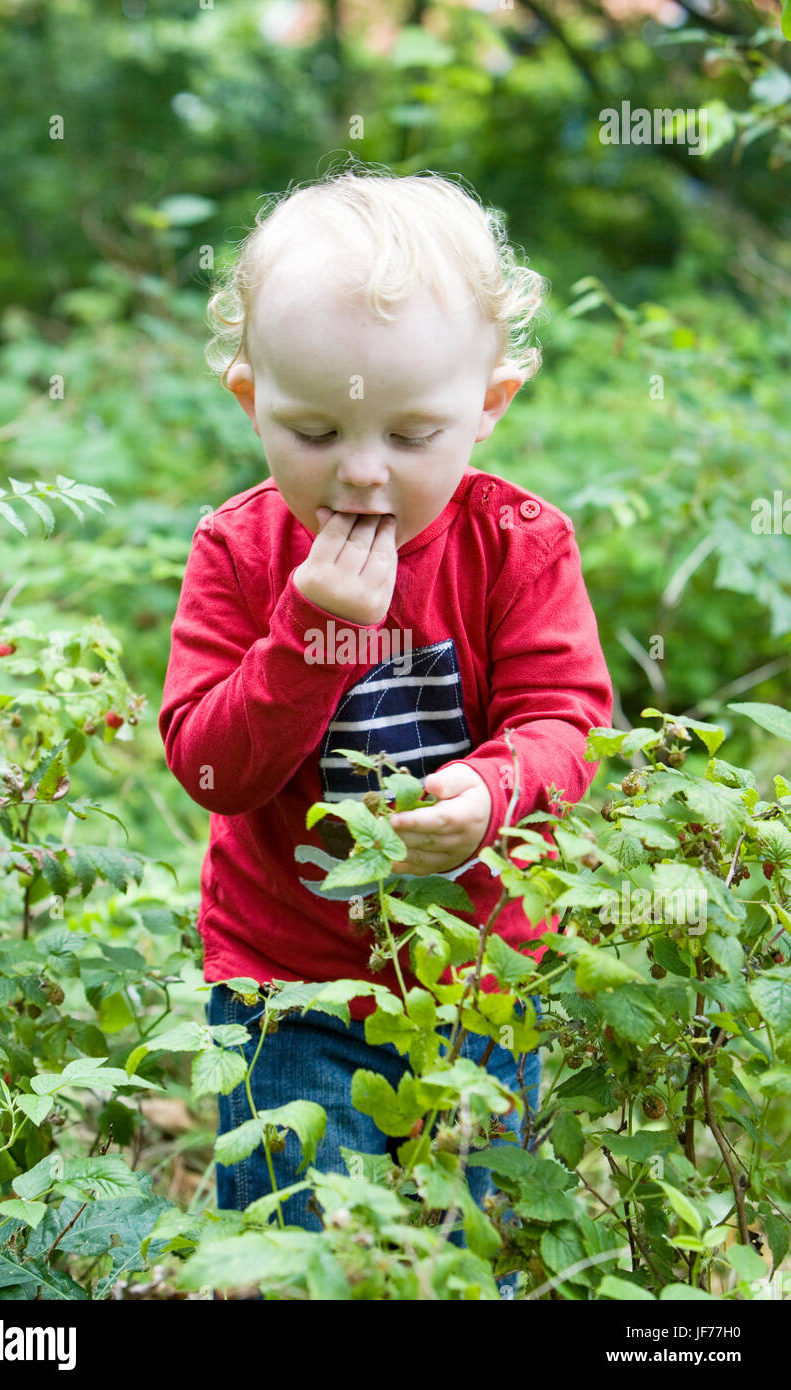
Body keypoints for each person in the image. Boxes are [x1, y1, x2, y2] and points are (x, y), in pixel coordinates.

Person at [158, 162, 614, 1298]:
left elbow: (568, 722)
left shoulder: (517, 545)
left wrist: (493, 789)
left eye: (414, 434)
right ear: (247, 400)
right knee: (305, 1253)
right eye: (313, 429)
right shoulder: (239, 551)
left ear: (491, 401)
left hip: (475, 977)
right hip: (284, 983)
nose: (361, 473)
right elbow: (209, 763)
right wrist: (309, 632)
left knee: (472, 1252)